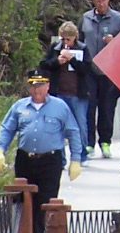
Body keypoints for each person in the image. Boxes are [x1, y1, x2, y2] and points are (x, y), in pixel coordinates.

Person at [0, 71, 83, 233]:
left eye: (40, 85)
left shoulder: (60, 107)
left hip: (50, 160)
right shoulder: (20, 106)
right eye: (33, 85)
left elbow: (73, 131)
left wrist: (76, 159)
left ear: (48, 86)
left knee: (46, 201)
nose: (37, 89)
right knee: (23, 201)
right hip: (25, 159)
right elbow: (7, 128)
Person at [81, 0, 120, 158]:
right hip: (90, 70)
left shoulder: (117, 18)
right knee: (89, 108)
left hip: (110, 71)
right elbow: (79, 40)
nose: (101, 4)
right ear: (93, 1)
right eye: (98, 1)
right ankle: (89, 144)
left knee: (107, 108)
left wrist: (114, 41)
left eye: (104, 0)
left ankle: (105, 142)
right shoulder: (85, 18)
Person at [39, 22, 91, 163]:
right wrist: (57, 62)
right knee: (58, 126)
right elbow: (43, 65)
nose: (65, 42)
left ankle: (82, 154)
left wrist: (72, 59)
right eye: (63, 39)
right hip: (59, 93)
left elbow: (86, 69)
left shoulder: (83, 48)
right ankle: (60, 158)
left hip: (77, 93)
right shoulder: (55, 48)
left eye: (68, 39)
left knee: (80, 125)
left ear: (75, 37)